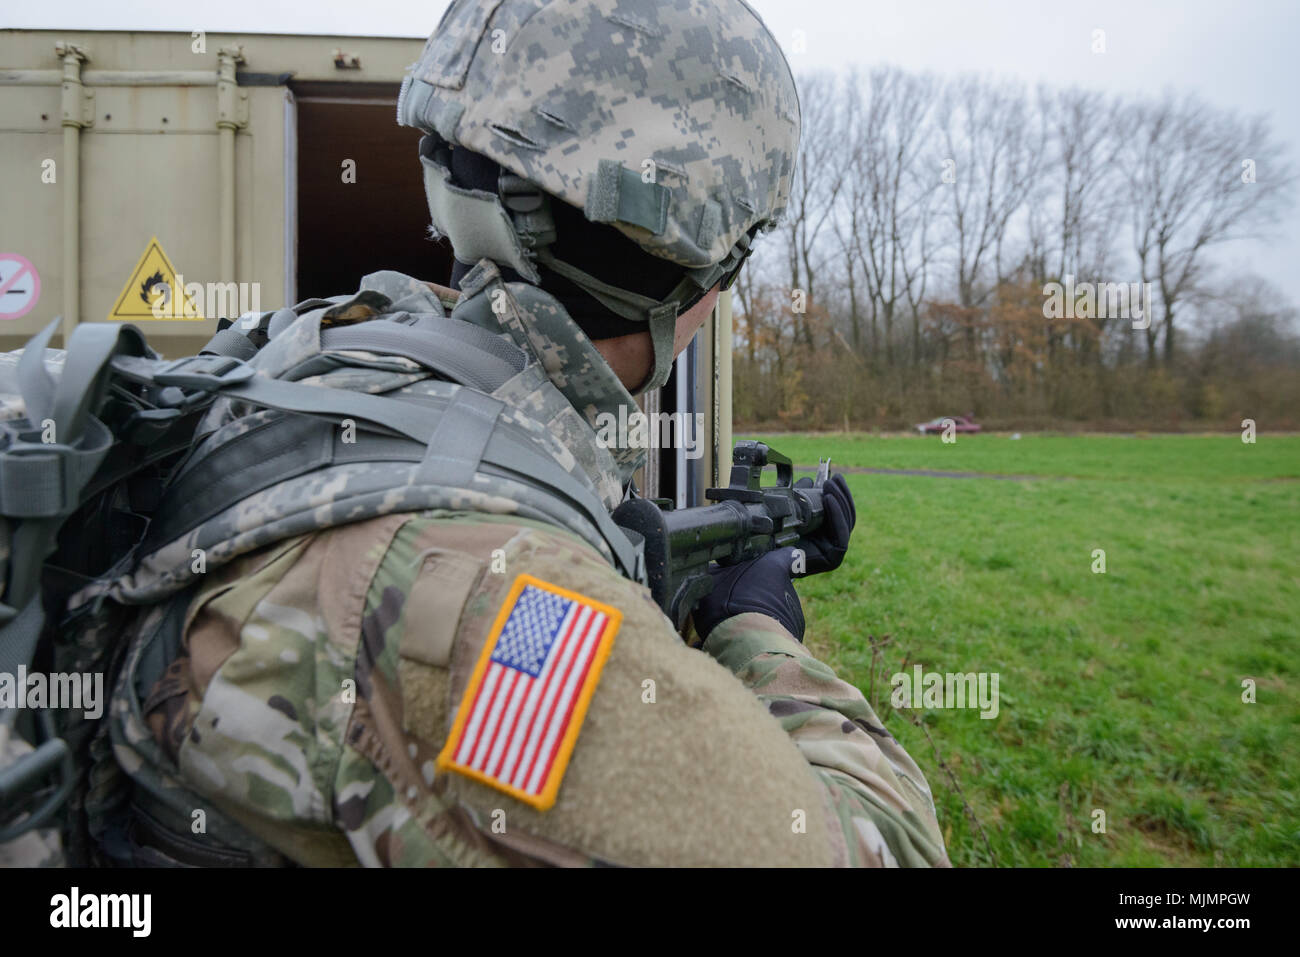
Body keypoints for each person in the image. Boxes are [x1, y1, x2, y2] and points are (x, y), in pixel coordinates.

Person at [106, 0, 951, 867]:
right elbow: (884, 847)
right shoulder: (494, 600)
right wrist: (759, 631)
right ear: (706, 271)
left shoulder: (314, 357)